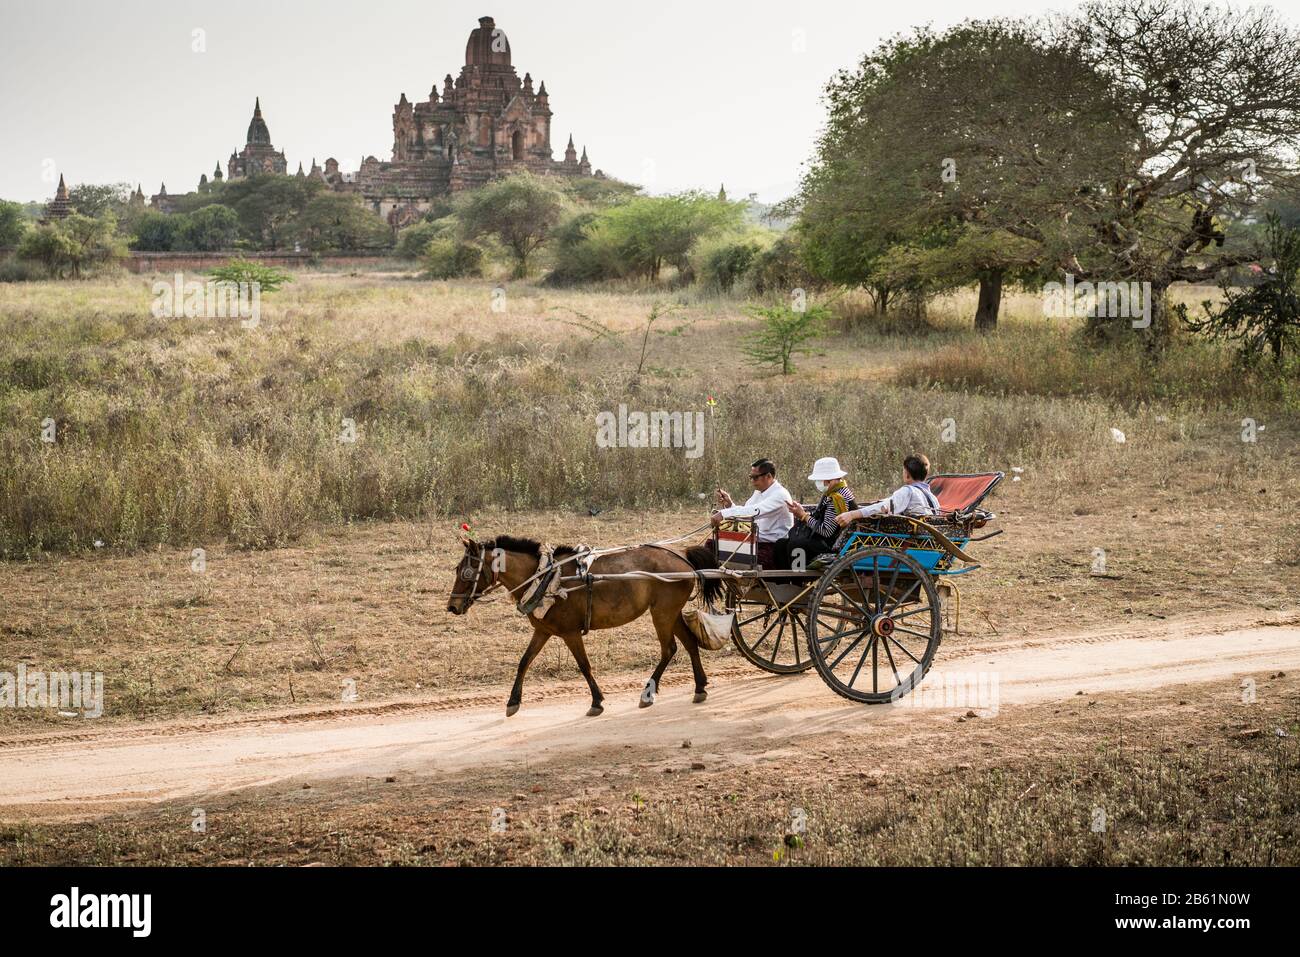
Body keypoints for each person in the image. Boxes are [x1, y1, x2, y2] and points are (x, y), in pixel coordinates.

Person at [773, 456, 857, 569]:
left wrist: (803, 516)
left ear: (828, 480)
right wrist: (802, 512)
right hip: (825, 539)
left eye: (819, 480)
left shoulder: (837, 498)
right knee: (781, 544)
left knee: (796, 546)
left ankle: (798, 580)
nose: (817, 483)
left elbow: (826, 531)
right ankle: (784, 582)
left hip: (832, 544)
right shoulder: (833, 492)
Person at [712, 458, 794, 568]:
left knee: (722, 554)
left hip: (772, 546)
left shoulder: (780, 495)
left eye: (755, 478)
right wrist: (729, 505)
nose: (752, 481)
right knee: (711, 546)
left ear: (768, 476)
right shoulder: (758, 492)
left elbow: (754, 511)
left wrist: (725, 513)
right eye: (751, 477)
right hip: (755, 541)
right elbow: (746, 514)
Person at [836, 453, 939, 528]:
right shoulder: (933, 498)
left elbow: (883, 507)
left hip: (912, 538)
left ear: (907, 475)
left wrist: (852, 514)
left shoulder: (908, 491)